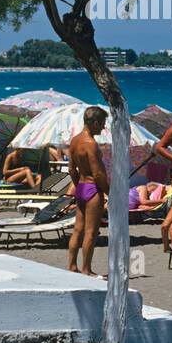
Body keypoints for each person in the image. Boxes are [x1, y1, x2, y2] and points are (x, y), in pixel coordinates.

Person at [68, 106, 109, 278]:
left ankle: (71, 265)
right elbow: (97, 173)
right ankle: (86, 269)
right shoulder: (90, 143)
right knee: (91, 232)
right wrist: (108, 192)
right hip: (93, 189)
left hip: (82, 187)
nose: (103, 128)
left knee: (78, 229)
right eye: (102, 125)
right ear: (95, 123)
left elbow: (71, 169)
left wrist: (79, 186)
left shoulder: (74, 140)